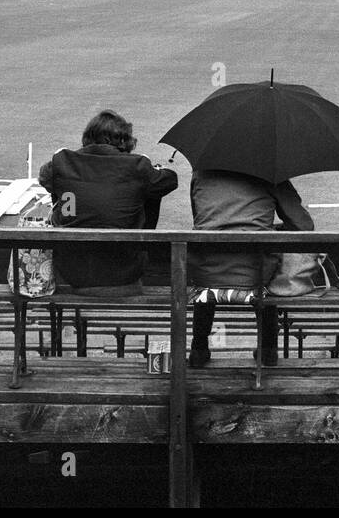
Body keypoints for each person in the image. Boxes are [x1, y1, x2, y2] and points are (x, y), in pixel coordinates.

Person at [38, 110, 178, 295]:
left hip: (73, 271)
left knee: (64, 193)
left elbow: (45, 177)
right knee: (150, 192)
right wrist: (156, 169)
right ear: (123, 141)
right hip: (125, 271)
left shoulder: (63, 161)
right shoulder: (137, 165)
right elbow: (170, 180)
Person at [186, 170, 313, 368]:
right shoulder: (271, 173)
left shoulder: (201, 174)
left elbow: (201, 219)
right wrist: (271, 229)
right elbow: (303, 225)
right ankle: (268, 348)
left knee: (213, 265)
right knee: (269, 269)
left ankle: (199, 347)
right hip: (256, 274)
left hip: (207, 273)